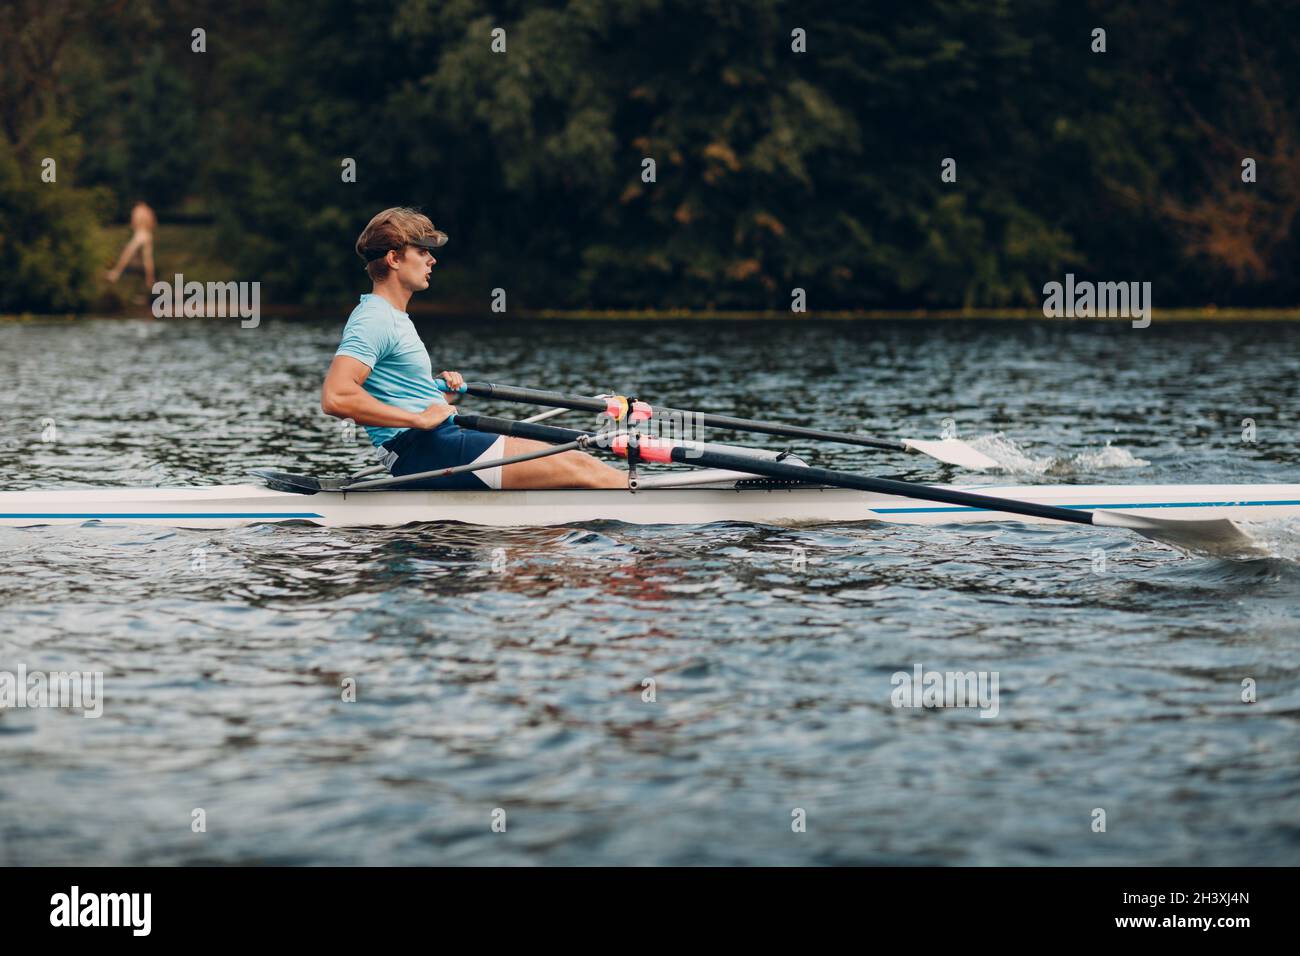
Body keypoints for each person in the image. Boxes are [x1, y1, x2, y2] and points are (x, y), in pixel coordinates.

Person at [321, 207, 625, 490]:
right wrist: (419, 419)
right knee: (580, 465)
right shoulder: (375, 318)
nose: (432, 260)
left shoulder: (392, 317)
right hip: (425, 447)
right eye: (423, 251)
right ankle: (655, 504)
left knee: (569, 469)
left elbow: (394, 394)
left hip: (434, 442)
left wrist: (438, 395)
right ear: (394, 259)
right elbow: (336, 397)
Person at [105, 200, 157, 287]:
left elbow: (134, 223)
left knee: (126, 254)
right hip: (148, 235)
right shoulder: (148, 210)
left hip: (139, 234)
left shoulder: (137, 210)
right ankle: (150, 279)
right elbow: (153, 224)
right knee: (148, 258)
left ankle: (115, 274)